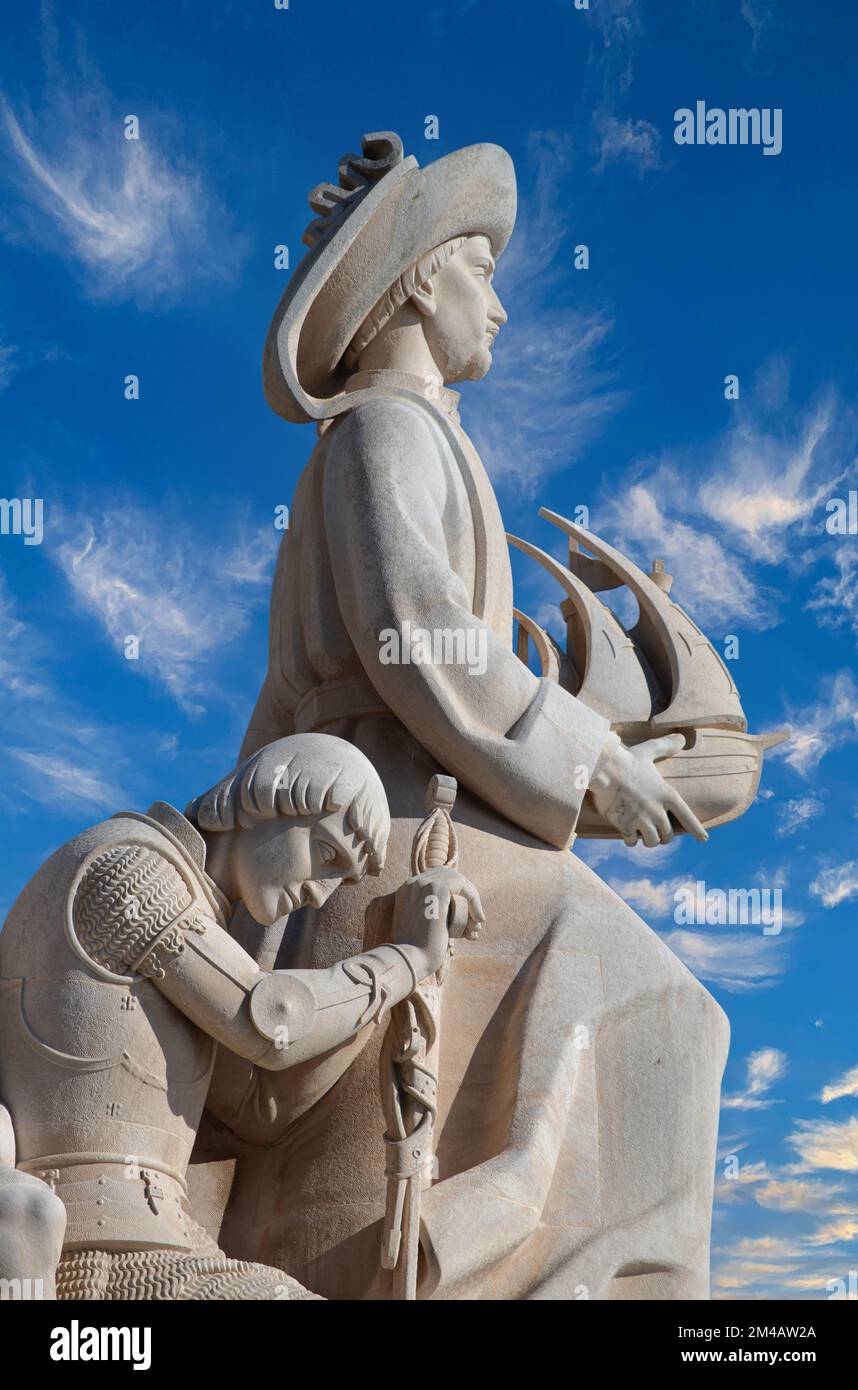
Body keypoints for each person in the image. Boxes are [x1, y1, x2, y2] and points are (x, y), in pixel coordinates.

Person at [207, 133, 729, 1301]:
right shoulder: (385, 433)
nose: (499, 303)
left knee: (653, 1003)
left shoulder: (408, 438)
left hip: (406, 793)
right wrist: (590, 765)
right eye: (481, 271)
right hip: (381, 811)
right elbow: (419, 641)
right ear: (421, 279)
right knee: (662, 1005)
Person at [0, 733, 480, 1300]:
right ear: (266, 799)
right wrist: (407, 956)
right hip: (105, 1257)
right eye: (326, 855)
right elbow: (269, 1022)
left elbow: (256, 1106)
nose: (320, 896)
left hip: (153, 1248)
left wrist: (381, 997)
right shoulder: (129, 867)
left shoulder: (192, 914)